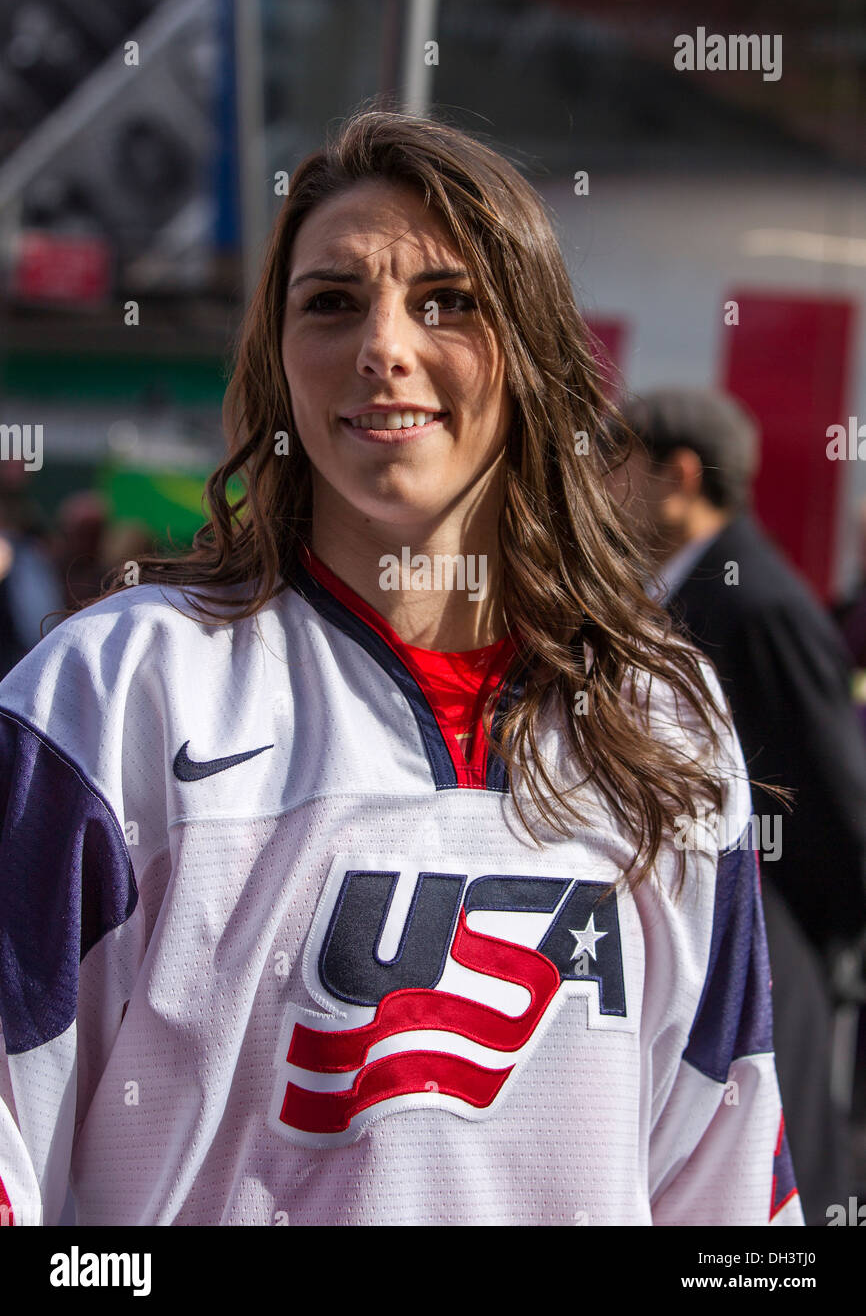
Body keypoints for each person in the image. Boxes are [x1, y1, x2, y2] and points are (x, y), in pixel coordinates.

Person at [0, 107, 802, 1227]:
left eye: (447, 303)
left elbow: (724, 1191)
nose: (384, 345)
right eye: (330, 302)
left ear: (529, 356)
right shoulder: (111, 694)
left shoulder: (664, 721)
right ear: (277, 361)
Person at [609, 385, 865, 1223]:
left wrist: (798, 946)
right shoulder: (688, 592)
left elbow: (842, 810)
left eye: (620, 466)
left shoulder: (757, 603)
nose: (603, 490)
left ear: (679, 476)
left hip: (767, 958)